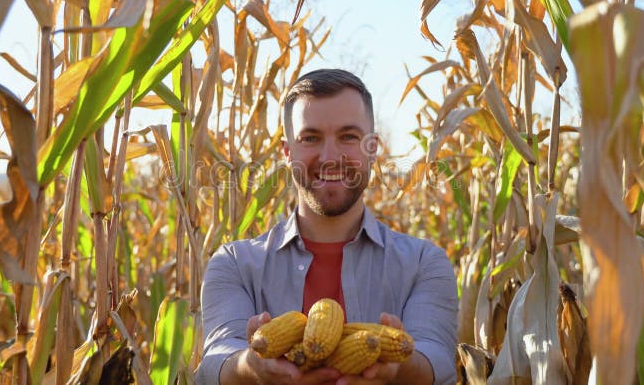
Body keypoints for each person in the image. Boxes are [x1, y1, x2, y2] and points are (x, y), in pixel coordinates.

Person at [195, 69, 458, 385]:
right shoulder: (235, 264)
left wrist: (398, 367)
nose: (330, 157)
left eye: (349, 136)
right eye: (310, 138)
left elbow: (439, 359)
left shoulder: (423, 263)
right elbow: (215, 362)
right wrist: (250, 367)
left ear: (372, 149)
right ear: (287, 151)